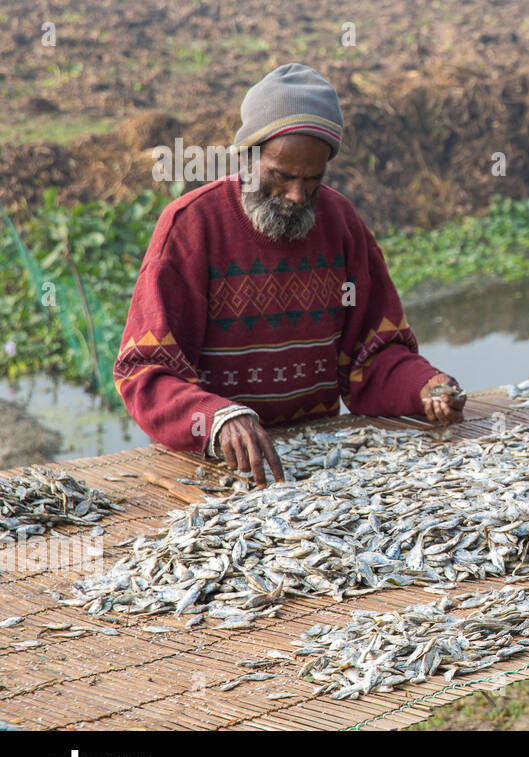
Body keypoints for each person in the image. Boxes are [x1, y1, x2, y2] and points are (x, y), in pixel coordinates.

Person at [114, 63, 466, 485]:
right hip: (210, 465)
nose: (297, 196)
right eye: (280, 176)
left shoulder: (341, 225)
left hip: (317, 464)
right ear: (248, 155)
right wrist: (218, 419)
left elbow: (371, 357)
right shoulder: (191, 228)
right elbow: (145, 371)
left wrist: (425, 386)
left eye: (312, 180)